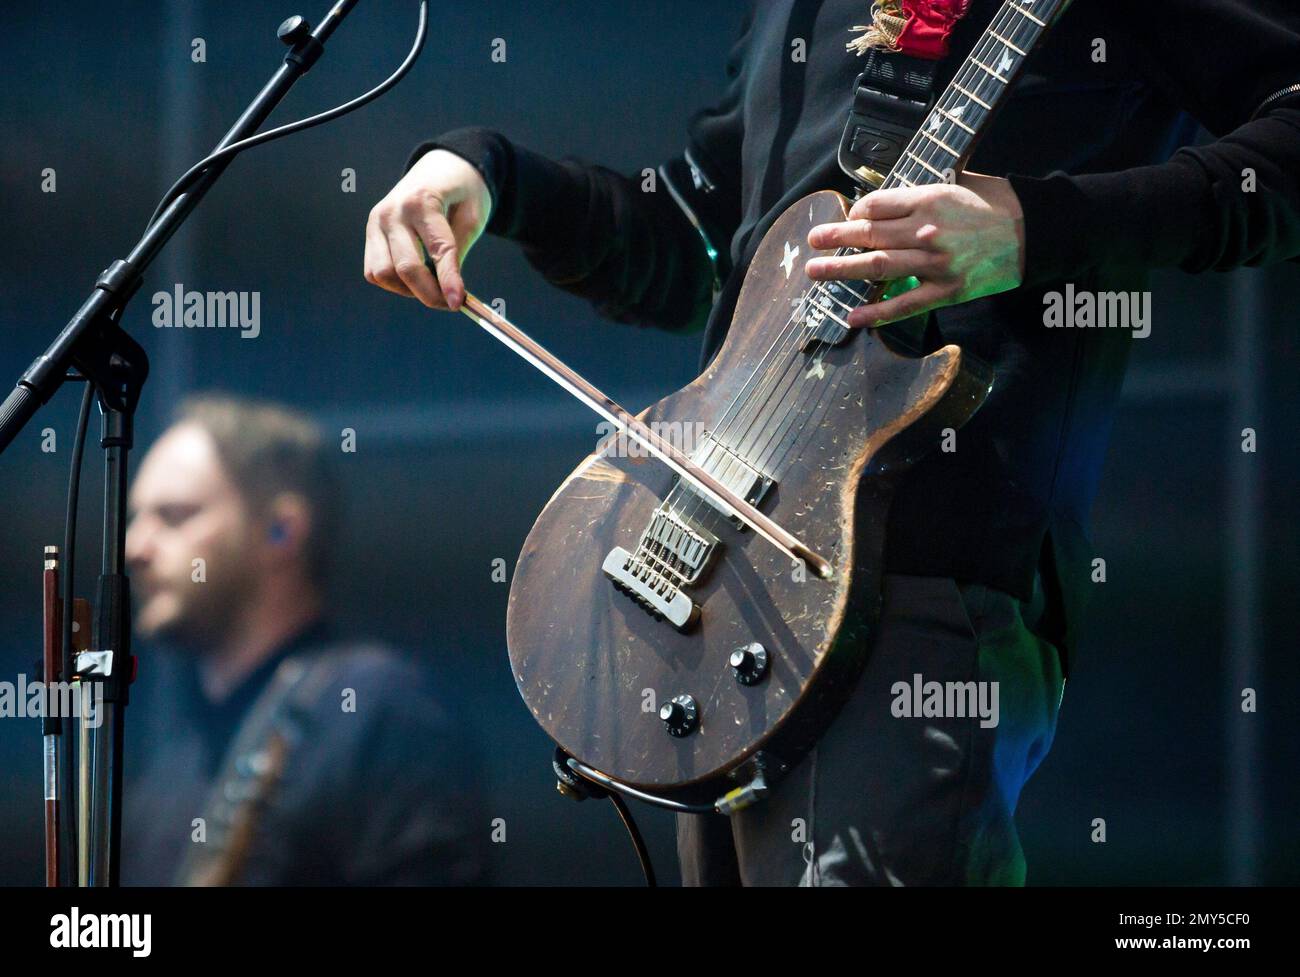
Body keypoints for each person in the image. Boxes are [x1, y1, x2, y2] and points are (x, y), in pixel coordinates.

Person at [362, 0, 1300, 885]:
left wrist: (1034, 225)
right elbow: (692, 249)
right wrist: (493, 175)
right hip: (725, 579)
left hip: (928, 584)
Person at [122, 395, 484, 885]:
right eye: (135, 518)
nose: (135, 547)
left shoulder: (379, 710)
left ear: (280, 530)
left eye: (175, 515)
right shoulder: (170, 768)